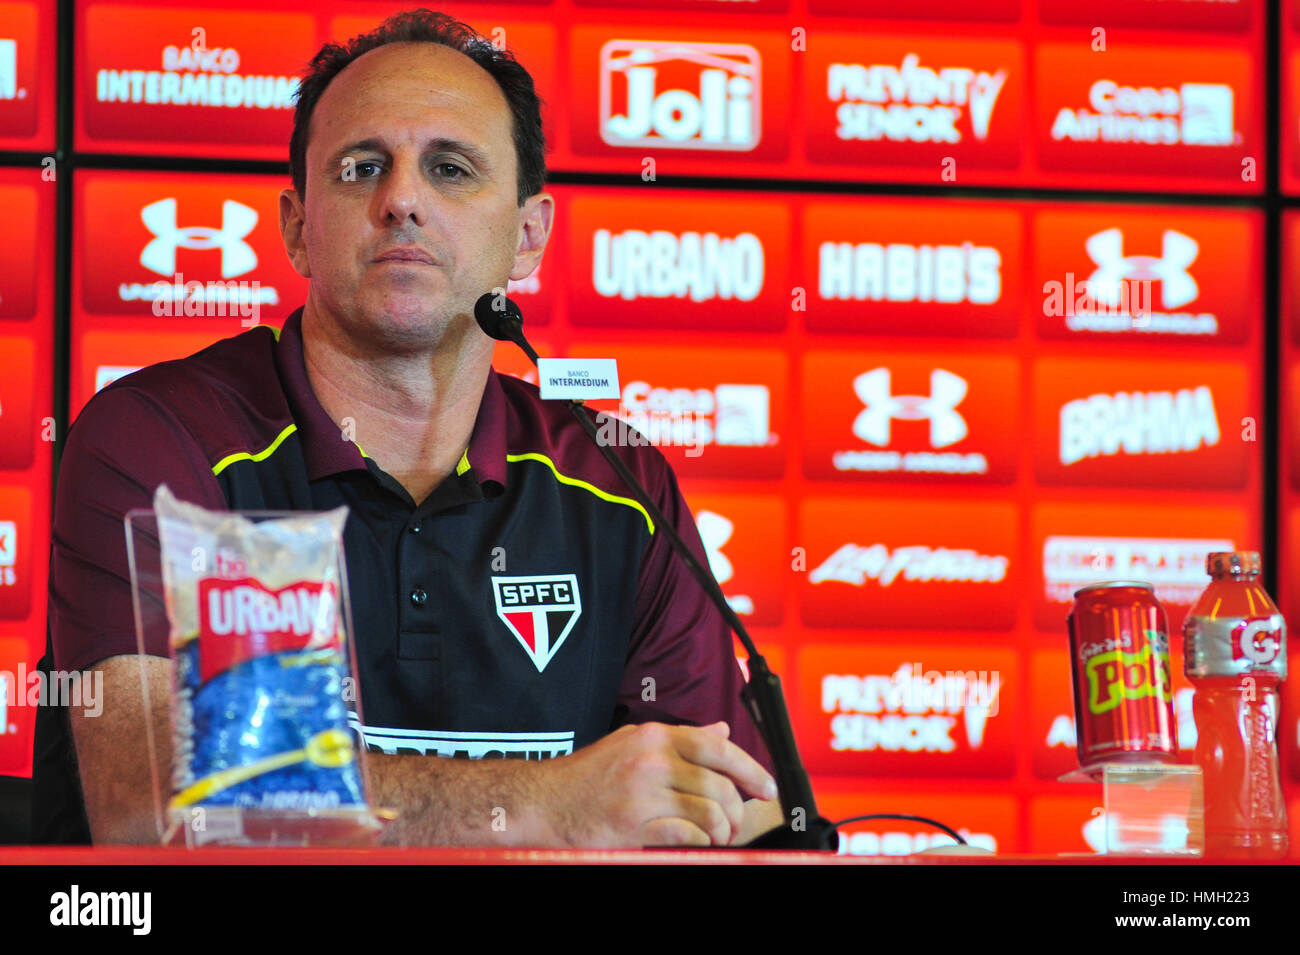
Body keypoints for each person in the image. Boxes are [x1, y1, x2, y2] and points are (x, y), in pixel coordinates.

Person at [31, 9, 781, 848]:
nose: (402, 201)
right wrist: (556, 801)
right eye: (361, 168)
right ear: (295, 227)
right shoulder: (173, 443)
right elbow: (160, 807)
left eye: (451, 169)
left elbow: (740, 816)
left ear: (529, 236)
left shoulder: (616, 483)